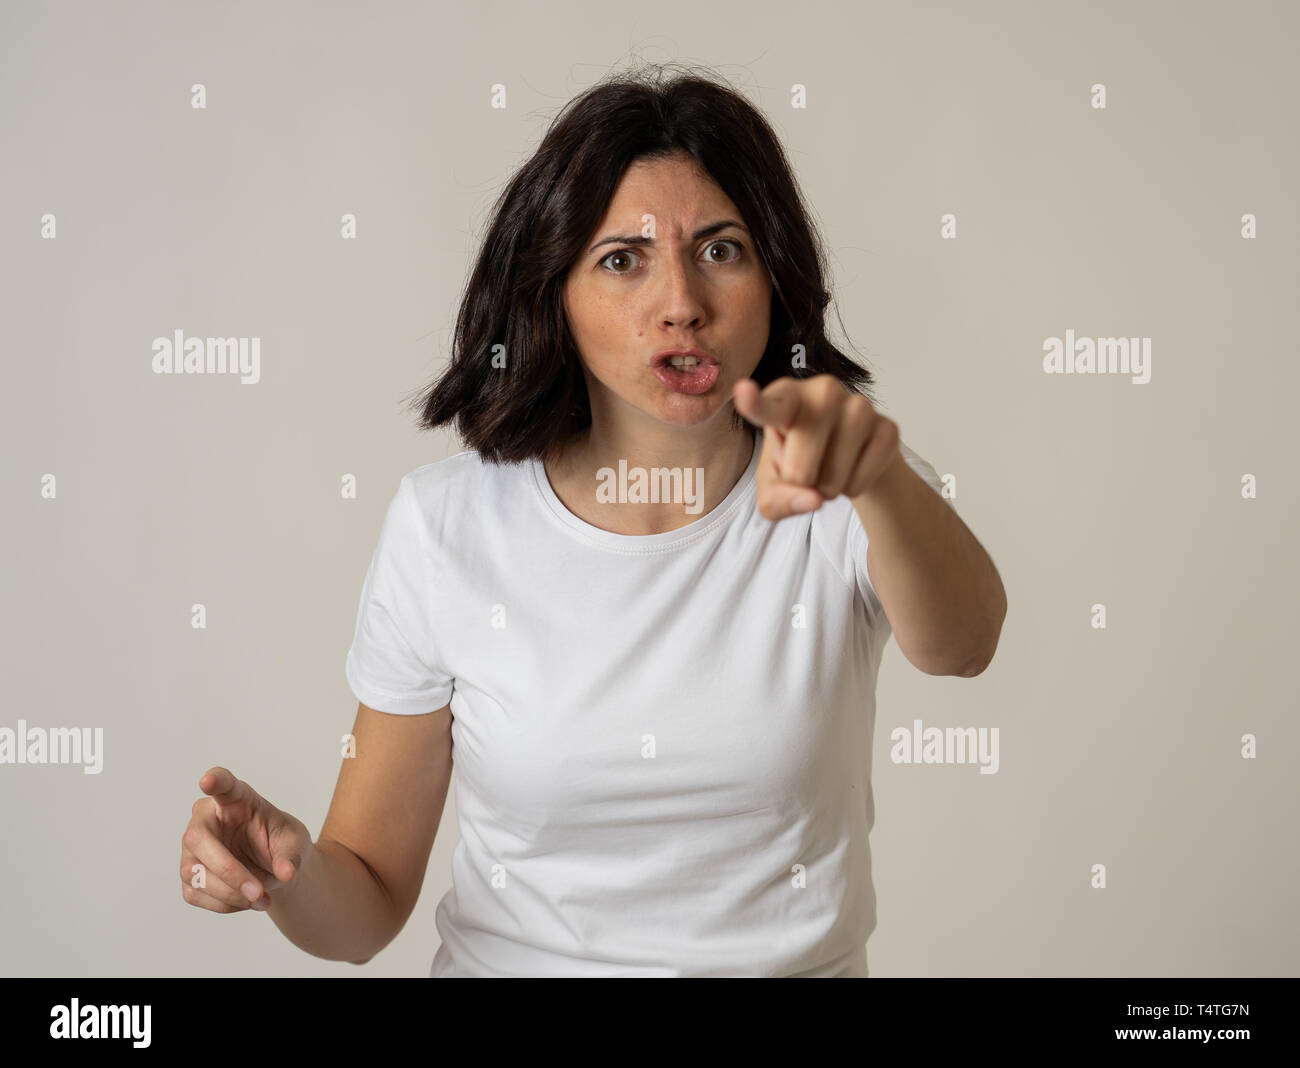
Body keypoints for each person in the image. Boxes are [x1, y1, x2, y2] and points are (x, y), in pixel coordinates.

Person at [179, 65, 1007, 977]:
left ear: (774, 276)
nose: (682, 302)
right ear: (555, 293)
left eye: (721, 250)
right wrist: (285, 877)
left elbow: (963, 643)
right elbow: (367, 901)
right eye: (624, 260)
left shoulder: (850, 477)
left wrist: (879, 478)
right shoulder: (447, 523)